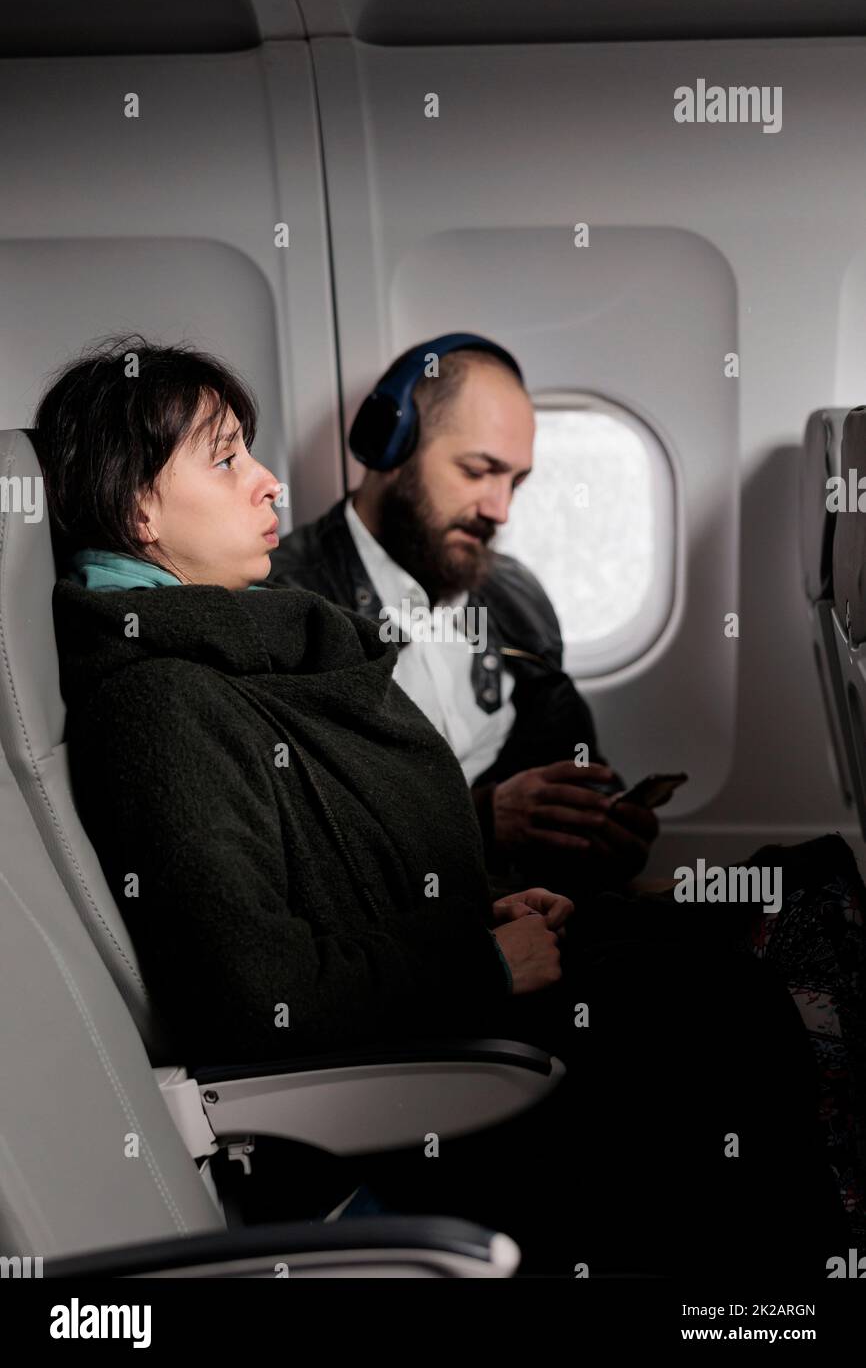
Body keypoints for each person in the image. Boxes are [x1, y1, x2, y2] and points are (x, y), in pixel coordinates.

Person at [33, 335, 861, 1276]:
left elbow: (322, 872)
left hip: (424, 1009)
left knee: (715, 954)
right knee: (710, 1014)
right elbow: (260, 998)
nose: (268, 482)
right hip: (385, 1102)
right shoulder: (160, 705)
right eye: (227, 459)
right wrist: (479, 962)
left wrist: (485, 911)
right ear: (140, 507)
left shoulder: (254, 647)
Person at [266, 333, 658, 899]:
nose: (500, 510)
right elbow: (294, 840)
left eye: (515, 482)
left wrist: (602, 833)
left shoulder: (515, 595)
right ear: (391, 448)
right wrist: (479, 823)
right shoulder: (283, 605)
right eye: (478, 471)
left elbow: (565, 769)